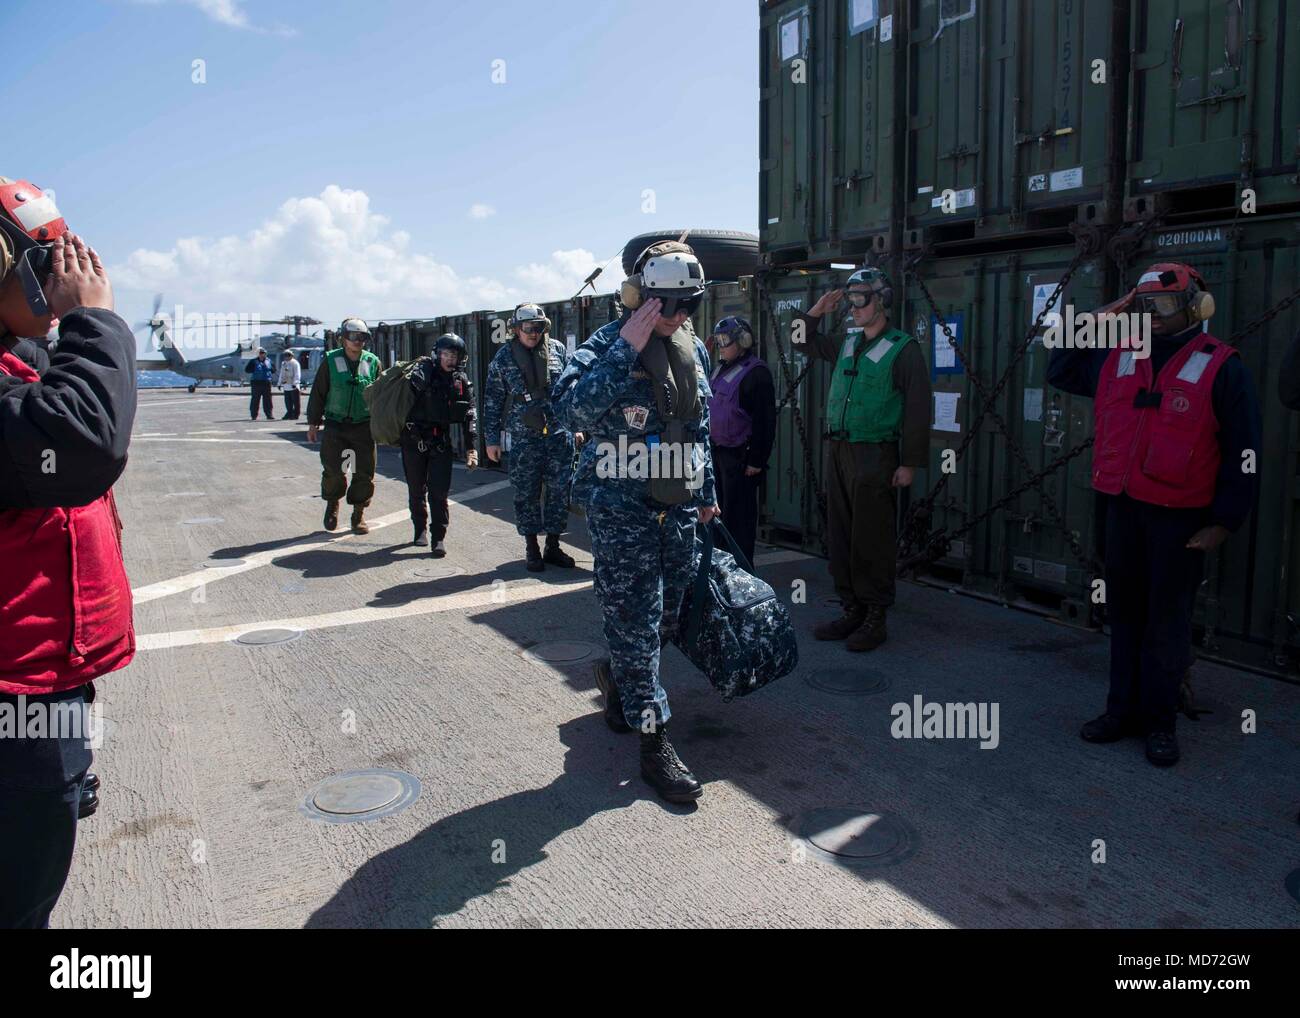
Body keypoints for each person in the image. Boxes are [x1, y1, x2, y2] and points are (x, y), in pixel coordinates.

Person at [1046, 262, 1262, 766]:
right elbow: (1059, 368)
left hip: (1180, 521)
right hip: (1122, 510)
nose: (1155, 317)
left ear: (1195, 307)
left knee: (1166, 624)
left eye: (1165, 305)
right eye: (1145, 307)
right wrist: (1103, 317)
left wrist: (1223, 522)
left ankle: (1160, 724)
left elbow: (1243, 453)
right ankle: (1120, 712)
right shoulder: (1119, 356)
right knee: (1123, 618)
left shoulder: (1222, 366)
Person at [0, 177, 135, 928]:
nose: (60, 282)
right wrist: (95, 322)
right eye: (43, 264)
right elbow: (84, 443)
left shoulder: (22, 361)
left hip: (45, 678)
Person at [554, 240, 719, 805]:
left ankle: (621, 683)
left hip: (675, 510)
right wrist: (625, 349)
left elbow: (699, 427)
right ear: (639, 297)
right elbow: (570, 411)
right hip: (620, 510)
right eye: (667, 306)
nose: (677, 318)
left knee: (667, 619)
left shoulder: (690, 350)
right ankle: (656, 745)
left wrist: (707, 494)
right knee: (636, 622)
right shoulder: (606, 345)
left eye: (687, 306)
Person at [797, 267, 931, 651]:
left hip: (876, 453)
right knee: (841, 533)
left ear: (882, 300)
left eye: (861, 299)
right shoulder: (847, 343)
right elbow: (800, 341)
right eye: (850, 299)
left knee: (870, 536)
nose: (853, 307)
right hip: (838, 451)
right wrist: (818, 309)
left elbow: (919, 409)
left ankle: (875, 616)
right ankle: (851, 607)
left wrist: (910, 463)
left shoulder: (903, 349)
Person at [482, 303, 578, 571]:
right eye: (527, 328)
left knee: (559, 492)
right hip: (525, 438)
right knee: (526, 493)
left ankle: (553, 545)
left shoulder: (558, 351)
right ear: (515, 329)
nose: (533, 333)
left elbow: (571, 391)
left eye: (538, 327)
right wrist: (491, 440)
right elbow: (492, 400)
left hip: (559, 434)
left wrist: (577, 426)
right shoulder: (503, 358)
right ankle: (532, 546)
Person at [707, 315, 775, 568]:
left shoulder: (756, 374)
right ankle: (718, 573)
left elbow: (765, 421)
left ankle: (742, 576)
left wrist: (756, 460)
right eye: (719, 340)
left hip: (740, 459)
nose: (721, 345)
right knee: (717, 518)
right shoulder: (720, 367)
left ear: (743, 341)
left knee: (740, 522)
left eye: (726, 340)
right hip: (718, 455)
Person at [402, 333, 479, 556]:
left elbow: (470, 415)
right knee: (417, 490)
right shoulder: (422, 374)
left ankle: (438, 537)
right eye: (446, 354)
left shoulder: (461, 382)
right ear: (438, 354)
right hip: (414, 441)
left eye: (454, 355)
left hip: (440, 443)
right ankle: (419, 530)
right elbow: (404, 403)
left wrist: (471, 448)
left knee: (439, 493)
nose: (450, 359)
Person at [307, 318, 381, 534]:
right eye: (353, 337)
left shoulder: (373, 362)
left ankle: (358, 515)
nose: (358, 341)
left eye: (362, 337)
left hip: (363, 426)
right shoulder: (330, 361)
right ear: (343, 339)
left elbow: (380, 397)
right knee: (333, 471)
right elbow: (318, 393)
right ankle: (332, 504)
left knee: (364, 472)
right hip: (335, 425)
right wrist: (313, 423)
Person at [245, 346, 275, 420]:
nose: (262, 354)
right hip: (256, 383)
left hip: (266, 383)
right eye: (260, 353)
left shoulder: (269, 361)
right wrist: (254, 368)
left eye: (263, 353)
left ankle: (269, 414)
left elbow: (274, 370)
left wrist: (270, 369)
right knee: (255, 399)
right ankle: (254, 415)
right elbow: (247, 370)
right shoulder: (253, 361)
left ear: (265, 354)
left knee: (268, 400)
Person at [278, 349, 301, 420]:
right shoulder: (283, 363)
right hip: (286, 385)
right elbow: (281, 374)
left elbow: (297, 374)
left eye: (288, 355)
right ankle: (289, 413)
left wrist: (295, 383)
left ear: (291, 356)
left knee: (295, 401)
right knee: (288, 401)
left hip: (293, 385)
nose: (287, 357)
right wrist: (279, 383)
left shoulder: (295, 363)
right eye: (285, 355)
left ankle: (296, 414)